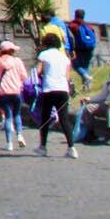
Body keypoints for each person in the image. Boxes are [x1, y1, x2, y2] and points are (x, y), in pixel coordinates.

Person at [33, 27, 77, 158]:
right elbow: (67, 77)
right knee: (64, 119)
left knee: (45, 118)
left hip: (49, 89)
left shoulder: (44, 55)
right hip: (63, 89)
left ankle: (43, 146)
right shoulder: (65, 58)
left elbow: (38, 72)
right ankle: (71, 148)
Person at [0, 39, 28, 151]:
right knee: (17, 114)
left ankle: (9, 142)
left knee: (8, 116)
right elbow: (24, 76)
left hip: (4, 92)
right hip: (17, 91)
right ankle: (19, 135)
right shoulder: (18, 61)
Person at [65, 9, 97, 93]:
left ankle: (85, 76)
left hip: (79, 49)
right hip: (90, 49)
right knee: (86, 67)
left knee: (76, 65)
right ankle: (87, 88)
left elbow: (69, 37)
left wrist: (70, 49)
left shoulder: (72, 25)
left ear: (75, 15)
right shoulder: (89, 26)